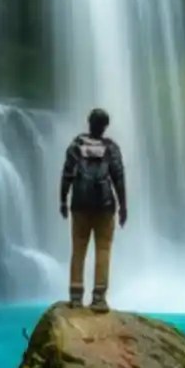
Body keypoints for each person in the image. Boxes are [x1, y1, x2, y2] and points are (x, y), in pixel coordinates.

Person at [59, 108, 127, 312]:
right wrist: (123, 206)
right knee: (103, 249)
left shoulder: (76, 145)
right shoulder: (111, 148)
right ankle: (99, 298)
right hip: (105, 205)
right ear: (105, 126)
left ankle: (76, 296)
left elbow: (67, 174)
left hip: (79, 204)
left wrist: (62, 200)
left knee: (78, 248)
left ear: (89, 122)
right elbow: (118, 177)